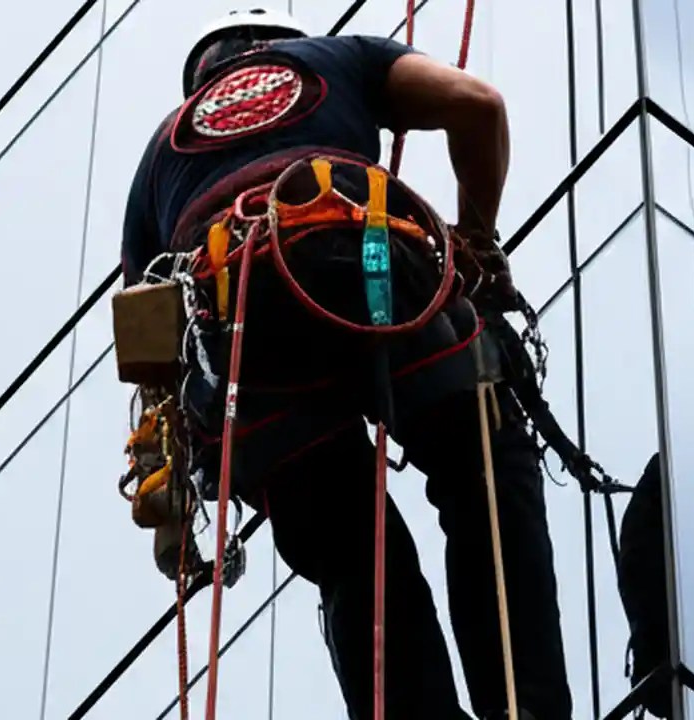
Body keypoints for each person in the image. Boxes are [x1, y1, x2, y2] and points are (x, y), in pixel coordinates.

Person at [119, 9, 571, 719]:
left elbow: (150, 345)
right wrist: (477, 246)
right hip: (369, 272)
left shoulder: (157, 155)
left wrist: (175, 511)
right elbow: (477, 105)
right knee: (483, 467)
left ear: (201, 78)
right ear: (281, 43)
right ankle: (527, 706)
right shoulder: (338, 57)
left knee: (351, 557)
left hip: (248, 353)